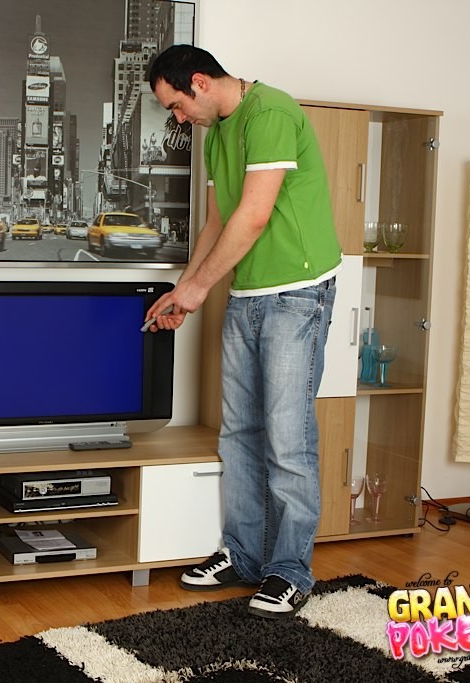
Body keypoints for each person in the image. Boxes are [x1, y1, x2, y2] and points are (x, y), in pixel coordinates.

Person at [144, 45, 340, 619]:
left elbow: (254, 215)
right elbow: (216, 223)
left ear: (201, 83)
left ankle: (290, 571)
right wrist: (185, 290)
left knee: (287, 439)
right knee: (240, 435)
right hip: (249, 294)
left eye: (178, 105)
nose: (179, 119)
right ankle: (245, 554)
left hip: (297, 293)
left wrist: (201, 290)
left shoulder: (271, 114)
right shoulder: (218, 132)